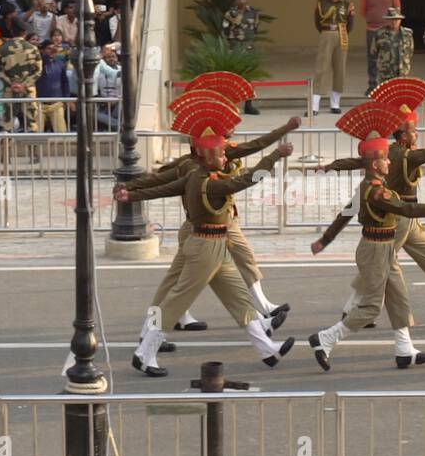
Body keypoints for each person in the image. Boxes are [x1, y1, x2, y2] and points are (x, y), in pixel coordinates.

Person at [124, 100, 297, 377]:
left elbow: (164, 188)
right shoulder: (208, 182)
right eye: (219, 154)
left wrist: (131, 193)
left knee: (239, 298)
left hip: (216, 245)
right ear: (205, 156)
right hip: (204, 246)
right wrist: (275, 156)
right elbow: (246, 180)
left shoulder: (199, 173)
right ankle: (145, 353)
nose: (225, 157)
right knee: (175, 300)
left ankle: (268, 350)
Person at [307, 102, 425, 371]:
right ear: (375, 164)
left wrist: (325, 240)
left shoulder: (366, 185)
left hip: (384, 248)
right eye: (385, 159)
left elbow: (345, 215)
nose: (390, 161)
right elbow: (408, 209)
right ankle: (325, 339)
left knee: (399, 298)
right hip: (375, 250)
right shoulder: (379, 193)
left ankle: (404, 350)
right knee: (370, 308)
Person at [315, 94, 425, 323]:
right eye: (414, 131)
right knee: (380, 264)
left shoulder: (387, 152)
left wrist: (331, 166)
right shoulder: (408, 156)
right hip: (398, 217)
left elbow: (357, 162)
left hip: (409, 216)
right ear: (403, 135)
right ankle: (353, 308)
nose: (417, 134)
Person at [310, 0, 353, 116]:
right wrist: (326, 32)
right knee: (321, 68)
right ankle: (315, 105)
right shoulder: (321, 2)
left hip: (342, 33)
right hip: (326, 32)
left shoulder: (347, 4)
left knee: (340, 68)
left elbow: (351, 23)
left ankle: (335, 103)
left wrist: (343, 32)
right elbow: (316, 21)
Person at [0, 17, 41, 132]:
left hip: (10, 89)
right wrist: (24, 84)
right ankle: (32, 149)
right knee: (32, 122)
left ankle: (6, 149)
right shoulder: (33, 48)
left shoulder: (2, 49)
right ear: (24, 32)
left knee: (7, 124)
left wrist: (12, 83)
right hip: (28, 90)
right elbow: (38, 71)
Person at [360, 0, 401, 95]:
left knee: (388, 58)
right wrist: (372, 18)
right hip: (372, 29)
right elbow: (363, 10)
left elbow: (397, 9)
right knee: (372, 58)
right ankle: (372, 85)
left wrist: (395, 27)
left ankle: (387, 85)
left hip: (387, 30)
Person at [221, 0, 260, 114]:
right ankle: (232, 105)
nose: (242, 1)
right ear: (235, 0)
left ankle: (249, 105)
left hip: (248, 47)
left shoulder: (253, 13)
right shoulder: (229, 14)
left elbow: (255, 29)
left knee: (249, 77)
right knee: (234, 77)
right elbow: (225, 30)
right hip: (235, 48)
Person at [370, 7, 413, 86]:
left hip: (402, 72)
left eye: (396, 19)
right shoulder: (379, 33)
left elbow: (410, 51)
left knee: (400, 95)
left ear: (400, 20)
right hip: (385, 72)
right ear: (387, 20)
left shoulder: (407, 34)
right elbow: (374, 51)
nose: (394, 22)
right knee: (386, 95)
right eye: (391, 19)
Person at [36, 39, 68, 132]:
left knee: (62, 135)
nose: (52, 50)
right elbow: (44, 60)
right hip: (39, 105)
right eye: (49, 49)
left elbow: (65, 83)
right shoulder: (38, 64)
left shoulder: (60, 64)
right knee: (35, 136)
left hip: (56, 104)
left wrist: (66, 100)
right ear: (42, 50)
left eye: (53, 49)